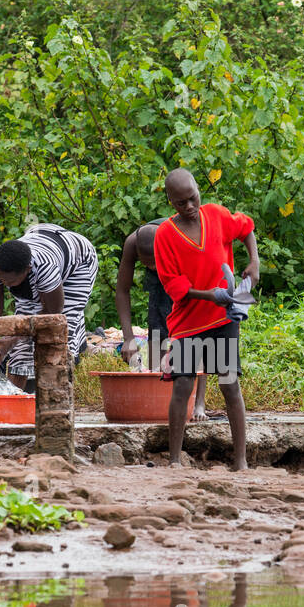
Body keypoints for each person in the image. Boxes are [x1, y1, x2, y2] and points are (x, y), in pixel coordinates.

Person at [152, 168, 259, 470]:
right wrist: (209, 295)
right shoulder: (165, 236)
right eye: (180, 203)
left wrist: (254, 262)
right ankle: (174, 460)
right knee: (183, 384)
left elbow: (246, 228)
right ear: (170, 202)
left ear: (199, 189)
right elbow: (174, 285)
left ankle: (241, 461)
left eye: (192, 198)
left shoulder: (216, 215)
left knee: (229, 383)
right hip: (188, 321)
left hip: (223, 318)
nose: (188, 207)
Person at [0, 223, 99, 391]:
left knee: (61, 330)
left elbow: (52, 314)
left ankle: (57, 400)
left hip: (78, 262)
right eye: (1, 279)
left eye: (10, 282)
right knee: (20, 341)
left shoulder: (44, 266)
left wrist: (15, 337)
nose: (4, 284)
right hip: (43, 239)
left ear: (27, 270)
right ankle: (15, 400)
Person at [114, 218, 208, 421]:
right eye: (146, 263)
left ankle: (198, 403)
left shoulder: (183, 239)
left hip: (188, 272)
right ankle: (161, 393)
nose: (152, 267)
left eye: (153, 262)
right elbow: (122, 291)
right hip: (164, 269)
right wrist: (128, 338)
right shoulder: (132, 243)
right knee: (157, 325)